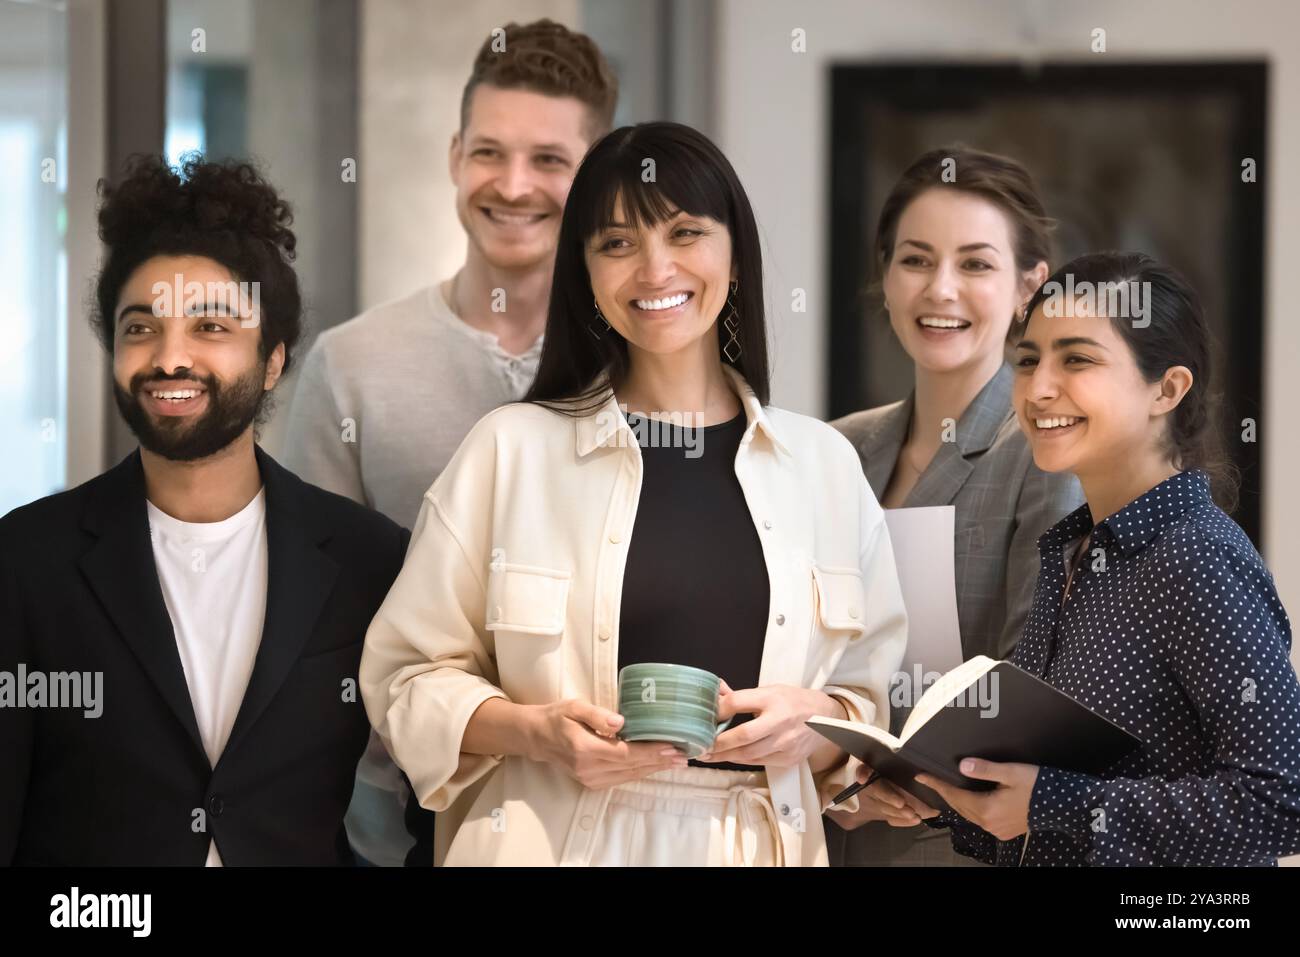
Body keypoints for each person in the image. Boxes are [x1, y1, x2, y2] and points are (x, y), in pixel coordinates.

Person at [359, 121, 908, 866]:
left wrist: (818, 725)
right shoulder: (509, 450)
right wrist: (534, 732)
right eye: (617, 244)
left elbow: (867, 703)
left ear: (734, 256)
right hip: (548, 842)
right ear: (584, 273)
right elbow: (403, 679)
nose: (654, 269)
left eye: (685, 234)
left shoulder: (825, 468)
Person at [0, 155, 407, 865]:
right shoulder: (28, 560)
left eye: (211, 327)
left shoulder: (368, 559)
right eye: (140, 328)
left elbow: (440, 791)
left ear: (273, 359)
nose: (169, 357)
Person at [282, 19, 618, 866]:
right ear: (452, 155)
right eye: (488, 152)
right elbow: (302, 614)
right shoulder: (353, 367)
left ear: (598, 176)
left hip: (609, 815)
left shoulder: (647, 372)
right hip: (394, 821)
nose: (513, 185)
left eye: (550, 159)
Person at [910, 251, 1300, 865]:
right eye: (1029, 359)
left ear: (1166, 389)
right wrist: (935, 794)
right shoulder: (1070, 552)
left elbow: (1281, 802)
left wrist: (1056, 802)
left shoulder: (1196, 557)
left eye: (1078, 359)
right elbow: (1042, 819)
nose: (1038, 388)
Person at [826, 146, 1083, 865]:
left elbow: (1033, 687)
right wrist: (840, 776)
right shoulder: (837, 450)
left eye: (974, 264)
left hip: (962, 844)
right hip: (835, 832)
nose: (940, 289)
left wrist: (897, 772)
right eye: (915, 260)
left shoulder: (1043, 454)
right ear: (884, 275)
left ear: (1029, 287)